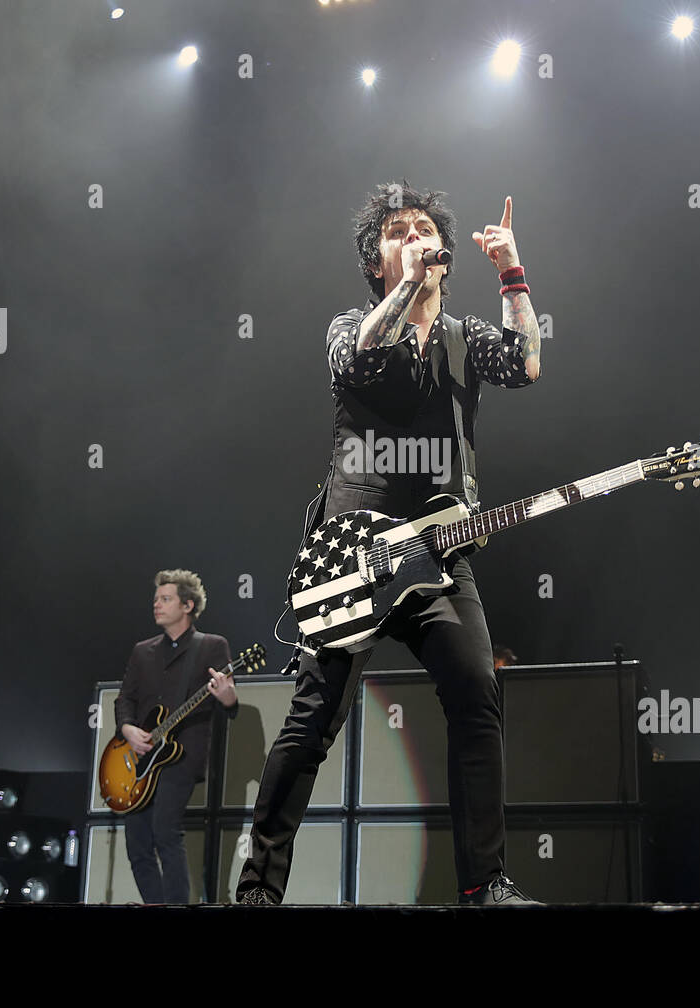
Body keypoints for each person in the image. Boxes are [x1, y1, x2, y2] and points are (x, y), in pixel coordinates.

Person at [237, 182, 542, 906]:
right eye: (398, 232)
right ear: (377, 261)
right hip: (356, 548)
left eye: (425, 230)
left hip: (439, 552)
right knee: (314, 717)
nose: (415, 238)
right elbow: (358, 358)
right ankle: (258, 889)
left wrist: (512, 271)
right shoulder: (354, 324)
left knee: (476, 694)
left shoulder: (467, 337)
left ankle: (485, 883)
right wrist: (406, 290)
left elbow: (528, 363)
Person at [115, 569, 238, 904]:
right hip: (140, 757)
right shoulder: (143, 651)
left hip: (180, 757)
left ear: (187, 605)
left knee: (165, 833)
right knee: (137, 844)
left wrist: (227, 696)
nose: (157, 604)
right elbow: (125, 698)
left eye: (165, 599)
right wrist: (127, 728)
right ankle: (156, 906)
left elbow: (228, 704)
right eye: (156, 599)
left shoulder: (212, 646)